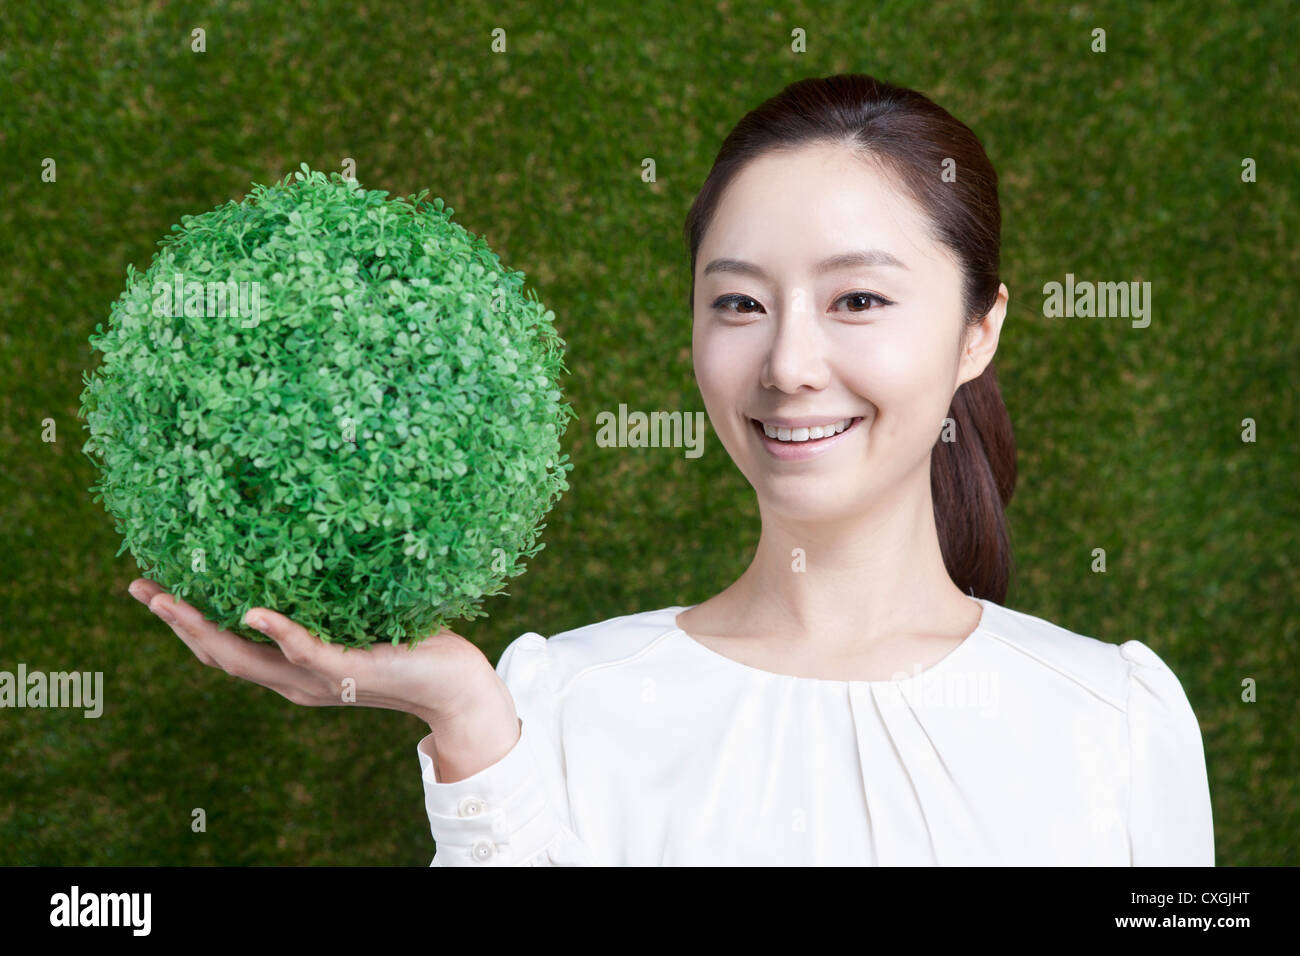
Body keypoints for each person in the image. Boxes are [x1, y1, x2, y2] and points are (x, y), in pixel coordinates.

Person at [133, 73, 1214, 866]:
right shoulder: (554, 706)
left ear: (978, 331)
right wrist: (466, 722)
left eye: (858, 299)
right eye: (739, 301)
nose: (789, 364)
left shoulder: (1113, 718)